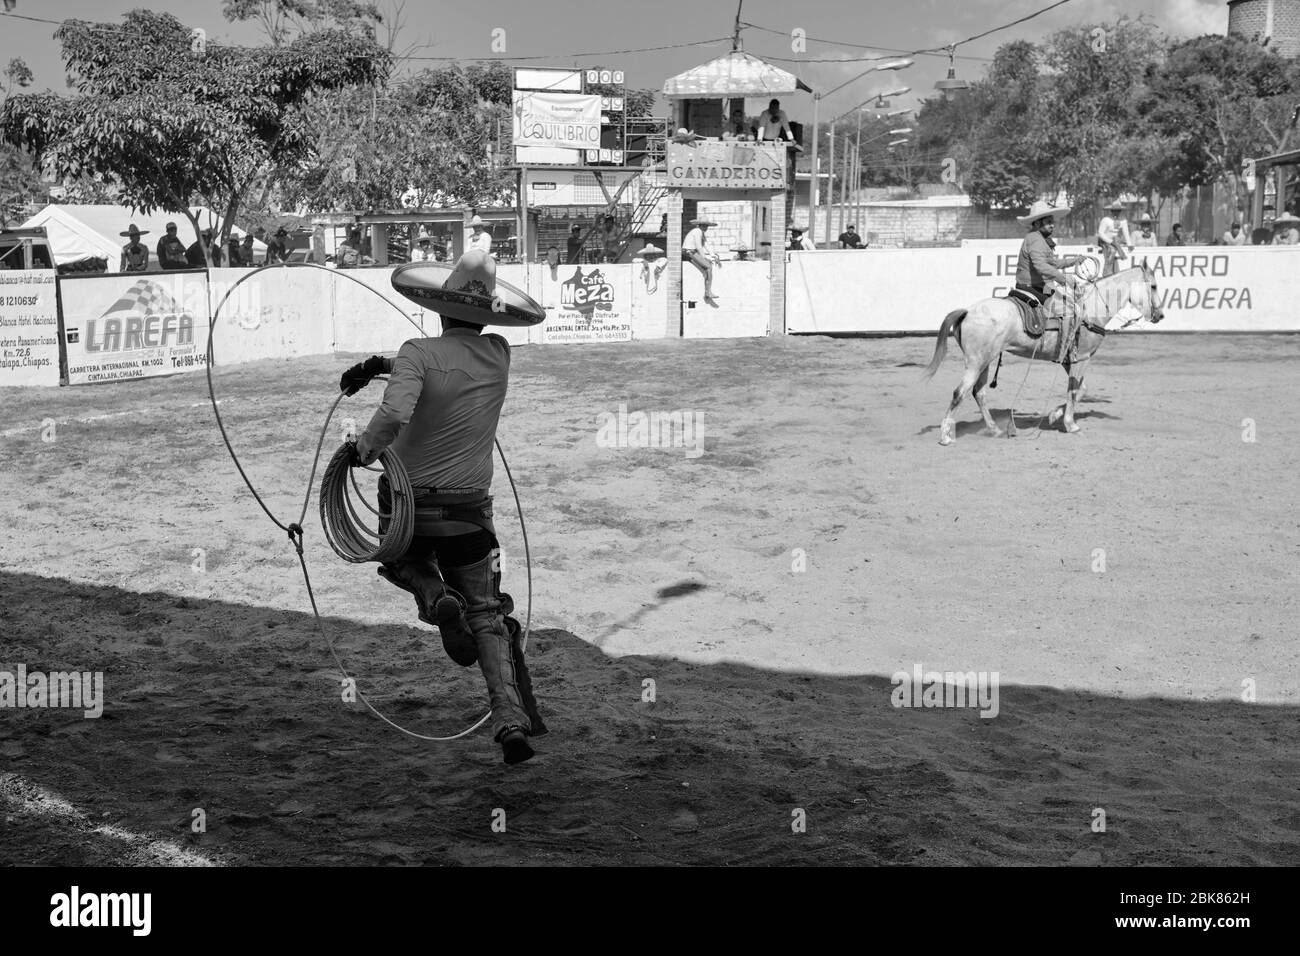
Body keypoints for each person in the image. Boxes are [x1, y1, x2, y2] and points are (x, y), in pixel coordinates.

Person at [340, 249, 547, 765]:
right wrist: (380, 365)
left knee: (396, 556)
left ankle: (433, 598)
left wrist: (363, 450)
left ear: (440, 306)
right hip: (469, 516)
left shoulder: (416, 351)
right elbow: (445, 366)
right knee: (487, 615)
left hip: (411, 508)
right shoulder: (499, 353)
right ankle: (510, 721)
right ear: (487, 316)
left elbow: (396, 408)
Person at [1015, 200, 1087, 363]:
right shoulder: (1036, 240)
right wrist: (1063, 278)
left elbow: (1052, 264)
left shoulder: (1039, 239)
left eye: (1052, 223)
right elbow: (1040, 266)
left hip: (1037, 286)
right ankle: (1063, 353)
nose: (1052, 226)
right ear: (1038, 222)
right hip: (1032, 288)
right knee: (1068, 311)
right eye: (1048, 223)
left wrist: (1074, 261)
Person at [682, 218, 721, 302]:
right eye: (703, 225)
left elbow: (706, 245)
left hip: (690, 252)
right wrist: (705, 257)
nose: (705, 227)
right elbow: (699, 246)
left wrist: (713, 255)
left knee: (706, 270)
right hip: (689, 252)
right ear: (699, 225)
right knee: (709, 267)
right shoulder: (697, 231)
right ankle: (708, 292)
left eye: (706, 226)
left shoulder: (701, 233)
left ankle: (707, 292)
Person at [1097, 200, 1129, 276]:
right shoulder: (1106, 220)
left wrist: (1129, 244)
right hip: (1104, 242)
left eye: (1118, 211)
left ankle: (1113, 272)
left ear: (1120, 211)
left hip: (1115, 241)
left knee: (1116, 247)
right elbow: (1100, 233)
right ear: (1111, 211)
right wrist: (1111, 242)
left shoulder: (1123, 220)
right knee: (1111, 251)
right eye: (1115, 211)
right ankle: (1106, 273)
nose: (1116, 212)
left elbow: (1125, 233)